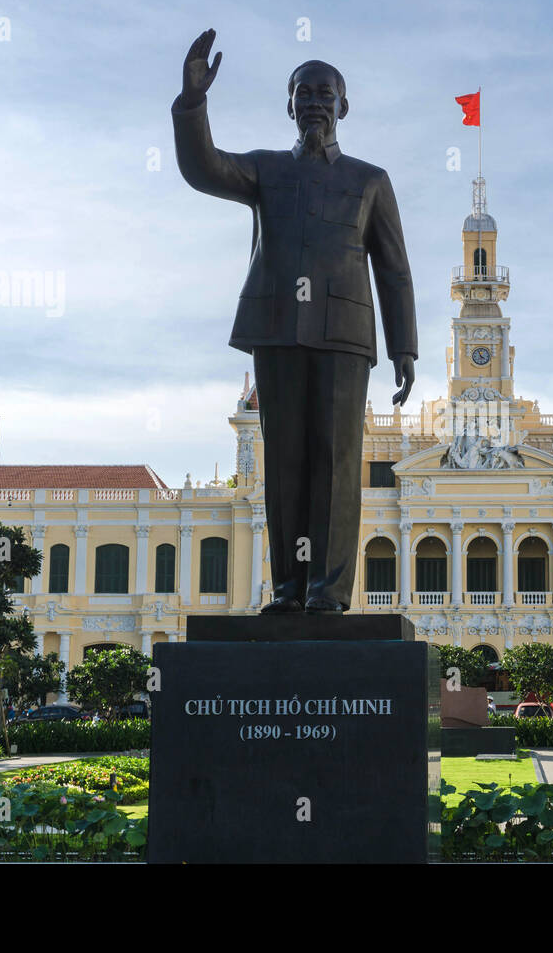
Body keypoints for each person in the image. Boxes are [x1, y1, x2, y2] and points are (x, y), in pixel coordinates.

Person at [172, 31, 418, 613]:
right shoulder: (264, 171)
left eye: (324, 93)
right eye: (302, 93)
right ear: (289, 105)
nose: (313, 102)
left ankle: (328, 594)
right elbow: (203, 168)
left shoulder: (369, 179)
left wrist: (404, 346)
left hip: (345, 335)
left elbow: (395, 267)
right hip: (277, 327)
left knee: (335, 463)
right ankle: (288, 590)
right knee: (283, 462)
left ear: (343, 106)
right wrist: (192, 102)